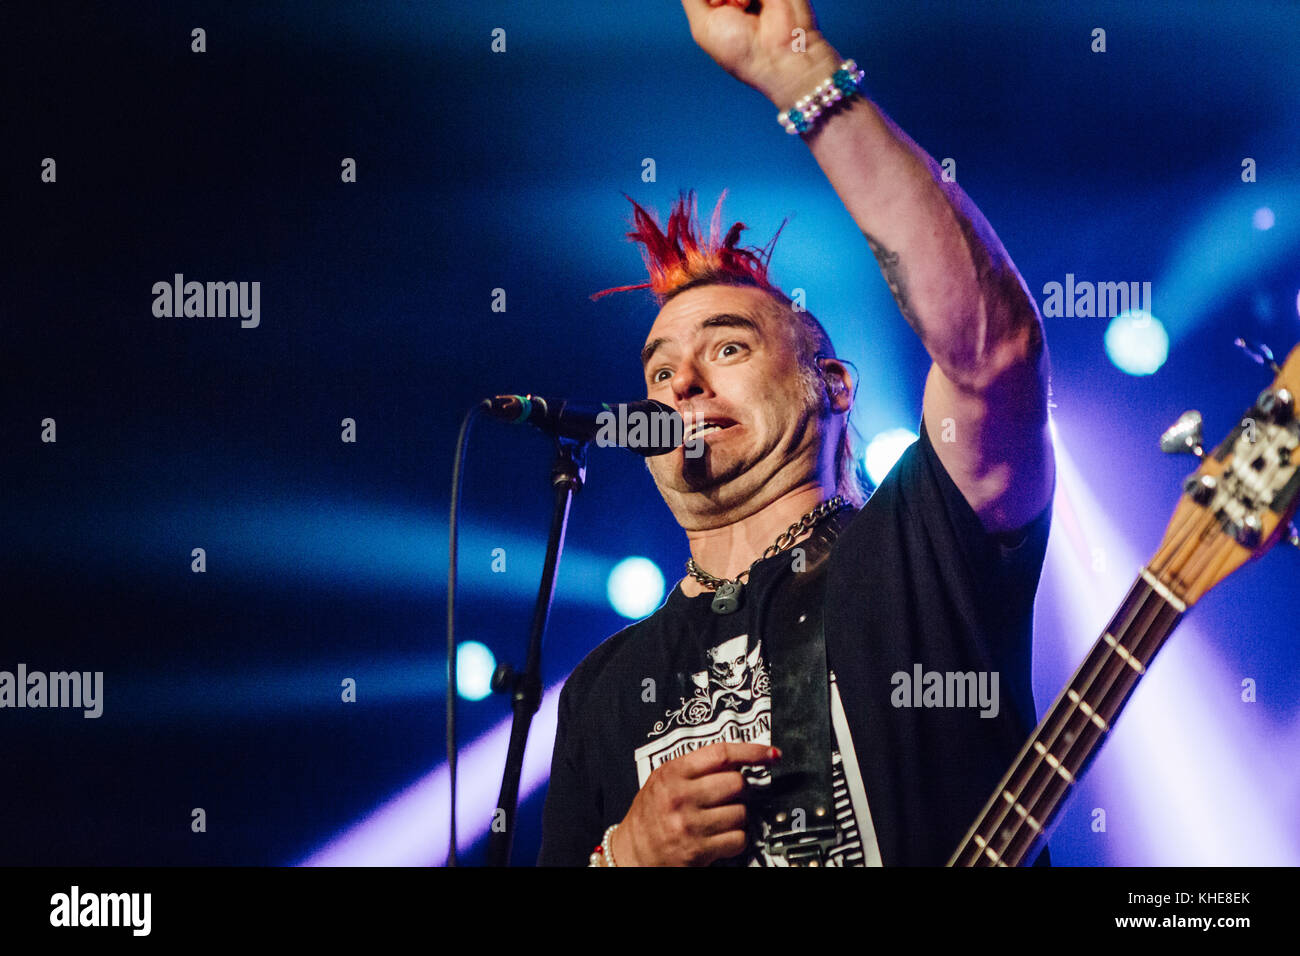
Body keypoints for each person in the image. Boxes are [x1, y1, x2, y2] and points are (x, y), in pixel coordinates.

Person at [538, 0, 1055, 866]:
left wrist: (799, 72)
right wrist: (621, 859)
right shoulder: (599, 691)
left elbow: (993, 350)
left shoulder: (920, 548)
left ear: (835, 384)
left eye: (728, 347)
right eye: (660, 373)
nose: (684, 383)